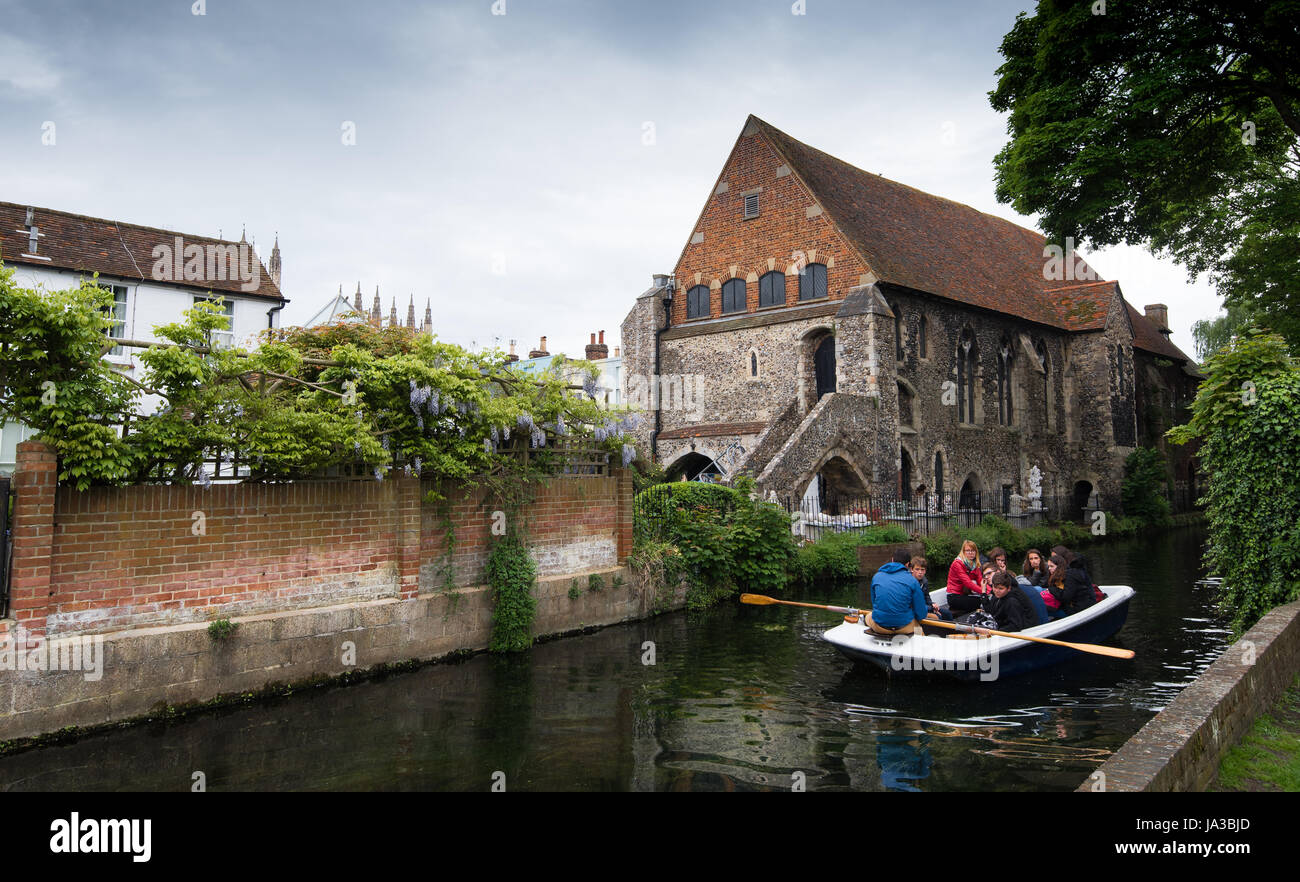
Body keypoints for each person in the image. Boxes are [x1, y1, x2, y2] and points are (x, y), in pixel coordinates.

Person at [867, 548, 936, 637]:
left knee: (869, 616)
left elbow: (874, 604)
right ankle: (919, 644)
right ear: (908, 565)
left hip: (880, 627)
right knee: (919, 629)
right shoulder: (913, 581)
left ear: (892, 560)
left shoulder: (876, 577)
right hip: (904, 627)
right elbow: (921, 614)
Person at [946, 540, 985, 615]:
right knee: (982, 601)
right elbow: (968, 583)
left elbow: (980, 580)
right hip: (953, 596)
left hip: (964, 594)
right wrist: (984, 593)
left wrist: (990, 591)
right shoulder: (957, 563)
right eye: (968, 551)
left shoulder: (974, 564)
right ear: (963, 552)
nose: (970, 553)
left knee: (985, 599)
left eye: (973, 550)